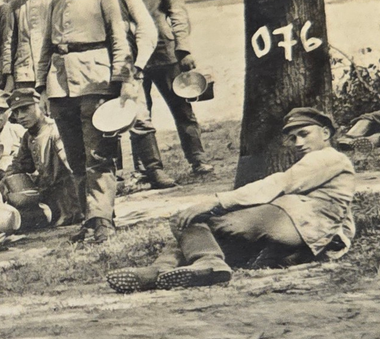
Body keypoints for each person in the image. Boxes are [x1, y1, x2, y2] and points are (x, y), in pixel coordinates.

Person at [106, 108, 356, 293]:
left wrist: (215, 202)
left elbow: (279, 183)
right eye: (292, 138)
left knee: (197, 220)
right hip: (295, 231)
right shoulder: (316, 161)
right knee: (197, 232)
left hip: (305, 224)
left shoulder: (329, 158)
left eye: (304, 134)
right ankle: (164, 269)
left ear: (325, 133)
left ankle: (201, 263)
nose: (298, 143)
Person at [36, 0, 135, 244]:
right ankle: (89, 219)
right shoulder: (56, 0)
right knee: (75, 156)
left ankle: (103, 218)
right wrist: (41, 86)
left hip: (95, 79)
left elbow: (120, 40)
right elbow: (47, 46)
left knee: (97, 153)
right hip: (60, 84)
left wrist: (124, 80)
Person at [114, 0, 214, 176]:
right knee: (137, 112)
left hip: (165, 54)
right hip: (134, 58)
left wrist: (184, 48)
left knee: (181, 108)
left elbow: (178, 13)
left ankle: (198, 159)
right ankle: (147, 167)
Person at [87, 0, 174, 189]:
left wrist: (138, 64)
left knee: (139, 116)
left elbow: (147, 29)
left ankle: (153, 170)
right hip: (96, 69)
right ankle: (118, 176)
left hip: (125, 64)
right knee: (104, 122)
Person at [4, 87, 81, 225]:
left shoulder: (56, 131)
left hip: (70, 199)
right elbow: (19, 166)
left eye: (25, 109)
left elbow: (74, 172)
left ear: (40, 106)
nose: (20, 116)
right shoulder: (29, 136)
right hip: (51, 198)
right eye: (16, 112)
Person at [2, 0, 56, 91]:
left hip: (54, 71)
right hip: (24, 74)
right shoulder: (14, 4)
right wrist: (9, 75)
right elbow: (9, 42)